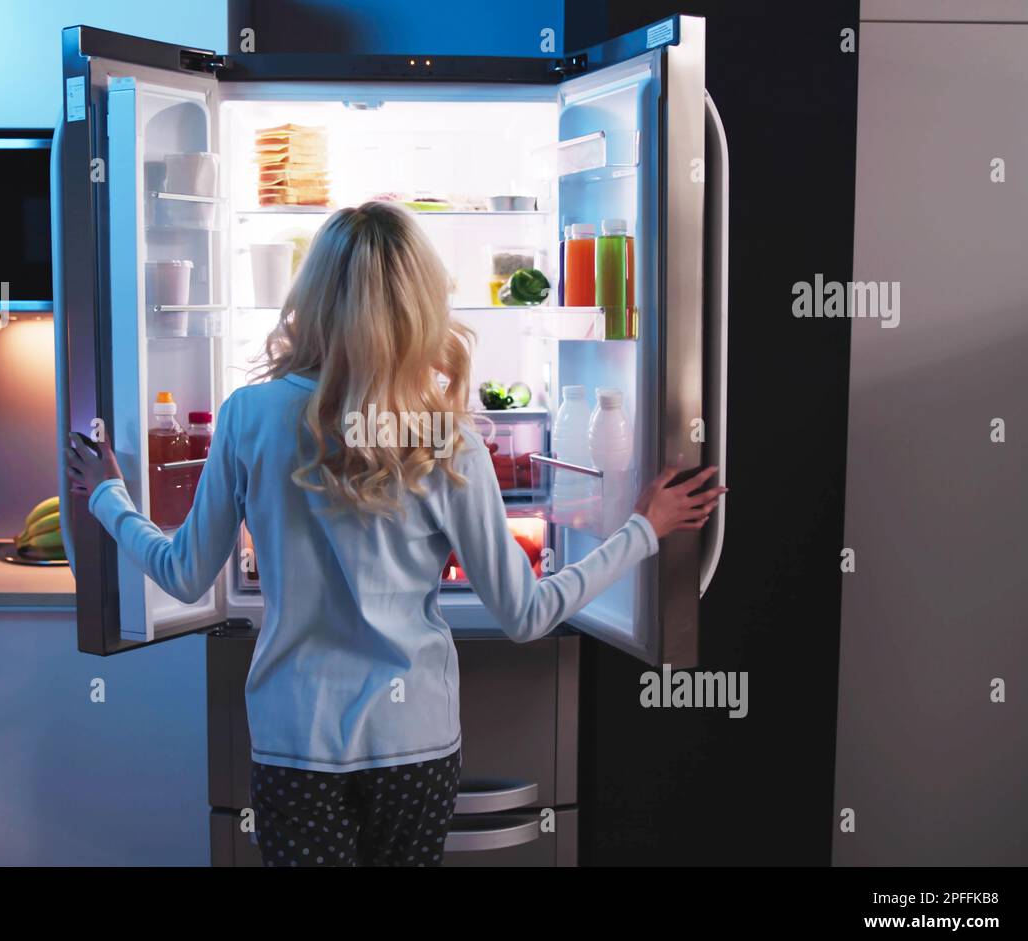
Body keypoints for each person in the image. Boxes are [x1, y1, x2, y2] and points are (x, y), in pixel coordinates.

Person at [66, 202, 724, 867]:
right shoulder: (449, 438)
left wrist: (109, 500)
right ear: (417, 308)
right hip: (416, 742)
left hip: (297, 740)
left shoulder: (249, 415)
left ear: (314, 296)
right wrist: (645, 528)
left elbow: (182, 573)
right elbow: (527, 614)